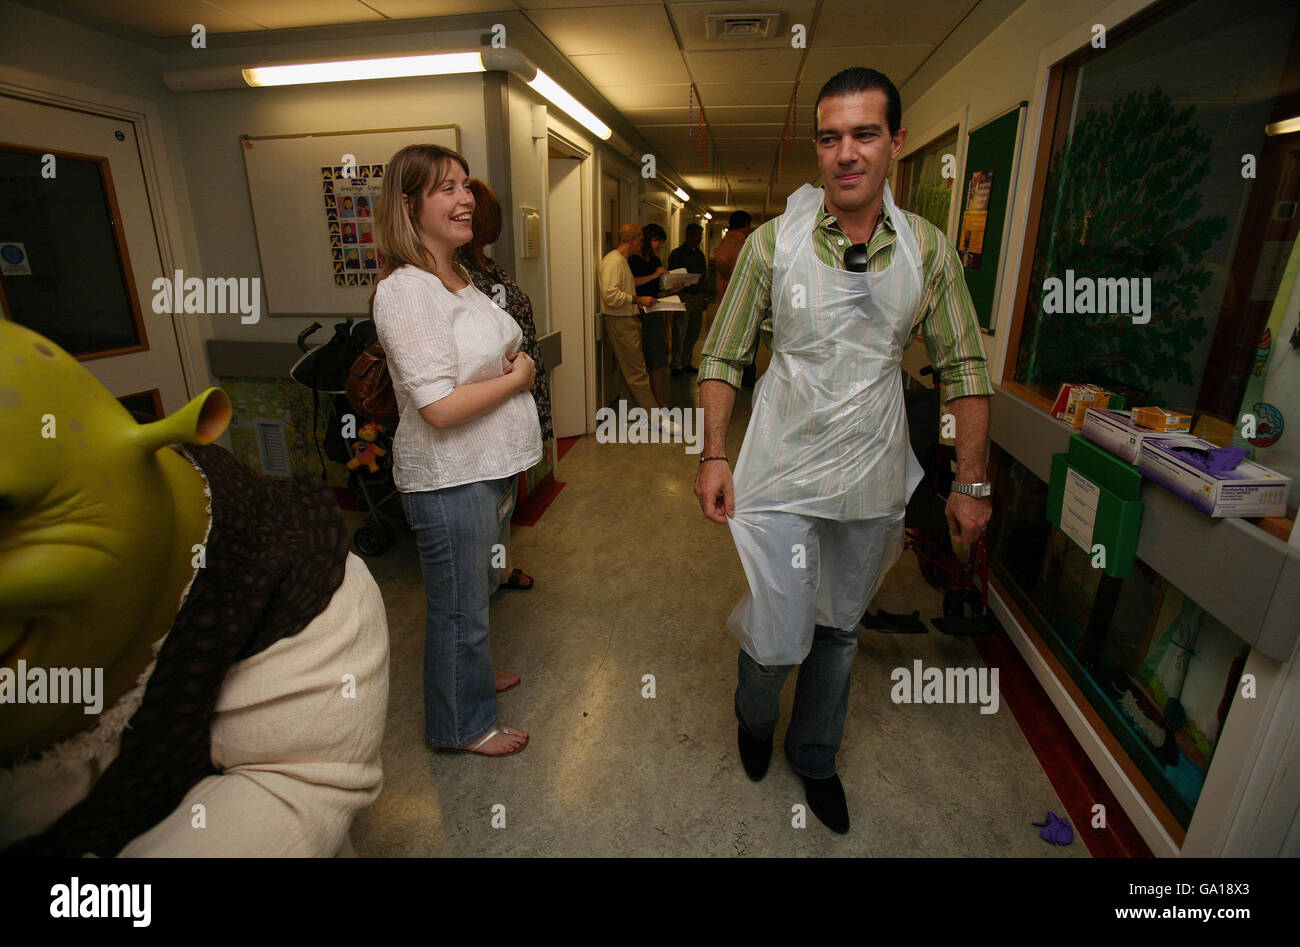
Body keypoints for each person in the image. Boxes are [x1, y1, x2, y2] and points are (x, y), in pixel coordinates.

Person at [694, 67, 994, 834]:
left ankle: (816, 753)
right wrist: (713, 454)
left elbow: (963, 367)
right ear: (818, 150)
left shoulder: (927, 249)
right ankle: (755, 719)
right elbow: (724, 355)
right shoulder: (772, 246)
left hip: (872, 466)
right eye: (831, 137)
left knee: (841, 626)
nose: (846, 152)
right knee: (779, 623)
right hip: (781, 468)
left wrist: (972, 483)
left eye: (865, 134)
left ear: (894, 143)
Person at [372, 144, 541, 757]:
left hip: (487, 468)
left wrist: (503, 365)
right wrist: (517, 379)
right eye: (445, 188)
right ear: (408, 205)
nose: (465, 198)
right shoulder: (407, 292)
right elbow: (438, 408)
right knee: (457, 611)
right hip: (451, 476)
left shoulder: (461, 279)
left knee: (477, 599)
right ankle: (461, 725)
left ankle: (465, 674)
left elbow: (470, 362)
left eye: (465, 185)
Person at [459, 176, 552, 597]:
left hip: (515, 395)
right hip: (492, 404)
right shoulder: (456, 276)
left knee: (504, 501)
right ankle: (483, 584)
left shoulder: (484, 266)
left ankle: (498, 570)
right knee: (490, 505)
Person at [599, 223, 660, 413]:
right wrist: (637, 299)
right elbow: (610, 295)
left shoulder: (622, 261)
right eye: (641, 239)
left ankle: (632, 412)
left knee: (629, 372)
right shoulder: (613, 262)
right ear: (632, 240)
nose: (643, 244)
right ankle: (655, 416)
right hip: (620, 321)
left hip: (627, 320)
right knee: (637, 373)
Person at [629, 222, 670, 404]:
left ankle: (658, 400)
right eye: (656, 240)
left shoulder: (656, 261)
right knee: (643, 361)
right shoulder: (633, 260)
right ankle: (650, 403)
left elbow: (655, 291)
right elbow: (632, 285)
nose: (659, 245)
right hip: (638, 313)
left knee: (658, 359)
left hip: (655, 312)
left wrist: (671, 290)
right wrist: (654, 275)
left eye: (661, 242)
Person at [713, 210, 755, 386]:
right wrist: (731, 276)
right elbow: (720, 260)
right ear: (745, 224)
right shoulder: (732, 240)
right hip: (735, 297)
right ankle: (741, 376)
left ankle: (746, 375)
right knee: (741, 336)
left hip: (743, 295)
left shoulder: (741, 240)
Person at [668, 222, 708, 376]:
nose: (700, 238)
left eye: (701, 235)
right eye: (698, 235)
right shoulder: (677, 254)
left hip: (697, 296)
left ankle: (687, 361)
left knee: (693, 331)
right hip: (683, 295)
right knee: (680, 331)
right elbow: (672, 276)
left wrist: (704, 297)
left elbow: (703, 276)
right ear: (689, 235)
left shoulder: (699, 254)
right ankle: (676, 365)